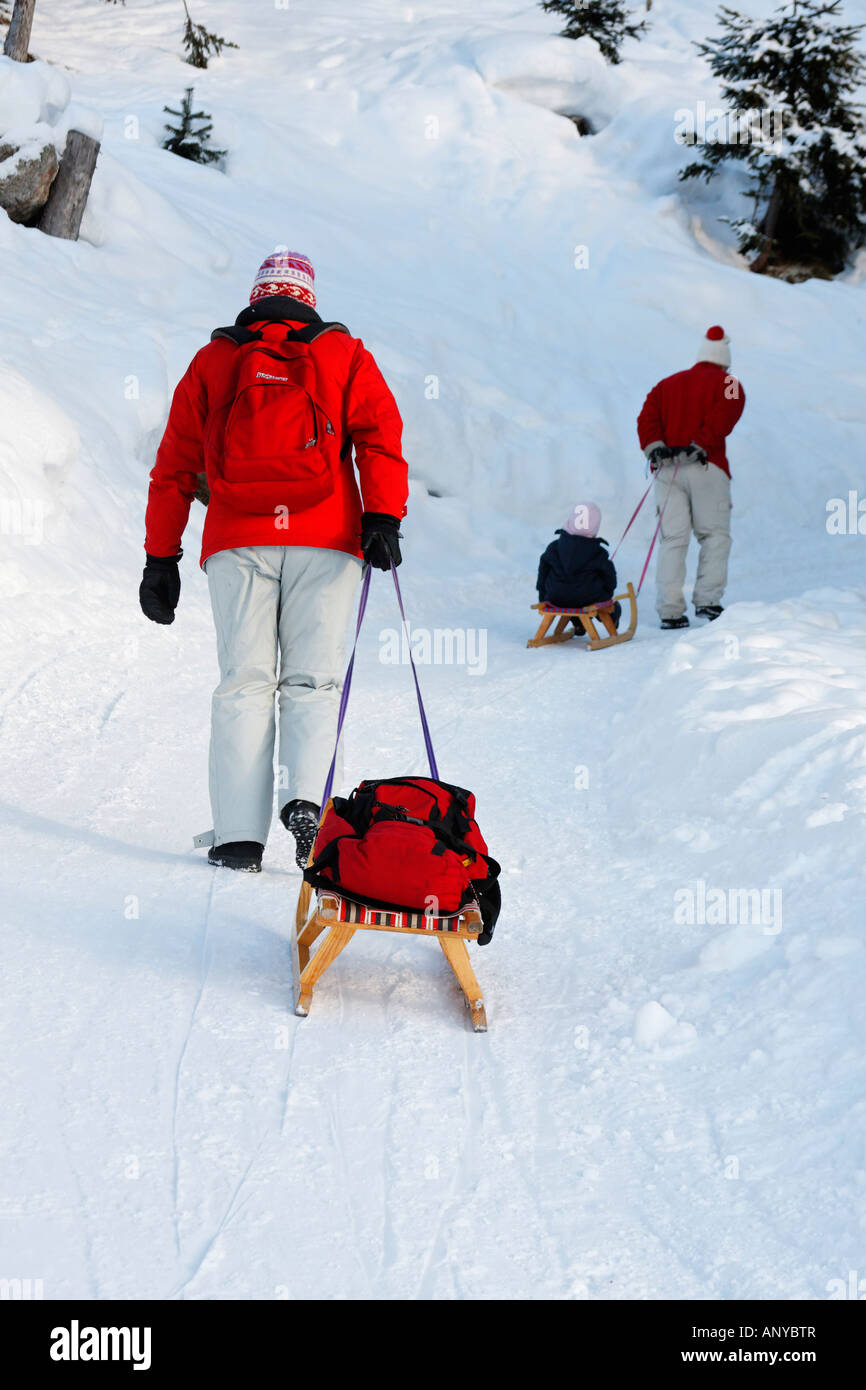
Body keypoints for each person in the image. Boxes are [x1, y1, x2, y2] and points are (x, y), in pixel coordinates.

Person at [139, 250, 408, 873]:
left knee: (244, 684)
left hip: (237, 540)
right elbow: (379, 437)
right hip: (327, 536)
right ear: (307, 299)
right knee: (311, 681)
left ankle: (237, 837)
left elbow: (174, 465)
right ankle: (305, 804)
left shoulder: (214, 360)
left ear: (256, 298)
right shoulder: (345, 355)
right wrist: (383, 517)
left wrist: (161, 557)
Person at [637, 325, 745, 629]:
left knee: (673, 539)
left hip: (667, 470)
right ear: (724, 359)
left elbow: (647, 416)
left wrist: (655, 448)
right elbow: (729, 410)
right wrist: (701, 443)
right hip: (706, 466)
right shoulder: (730, 382)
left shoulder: (666, 384)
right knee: (714, 535)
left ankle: (670, 610)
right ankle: (708, 601)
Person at [536, 502, 621, 629]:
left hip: (555, 597)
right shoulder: (599, 552)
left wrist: (543, 595)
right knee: (604, 603)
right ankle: (611, 618)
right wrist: (608, 593)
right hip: (588, 599)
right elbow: (609, 576)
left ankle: (579, 623)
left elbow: (543, 571)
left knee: (570, 594)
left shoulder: (554, 547)